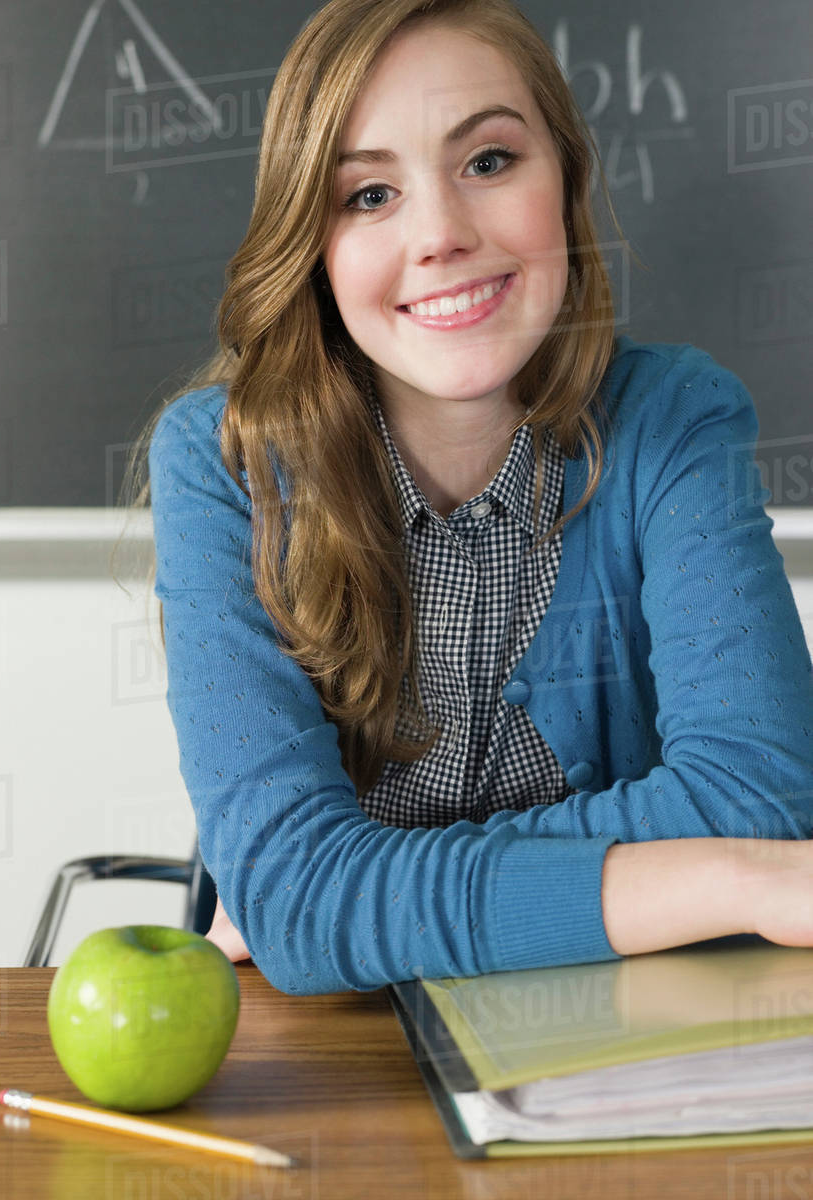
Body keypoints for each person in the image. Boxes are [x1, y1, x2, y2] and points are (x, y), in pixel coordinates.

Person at [130, 0, 813, 996]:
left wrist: (361, 890)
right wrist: (725, 878)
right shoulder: (226, 458)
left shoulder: (674, 417)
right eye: (367, 195)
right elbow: (295, 902)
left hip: (626, 1034)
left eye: (488, 162)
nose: (442, 234)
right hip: (329, 1056)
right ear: (311, 243)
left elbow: (758, 802)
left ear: (566, 179)